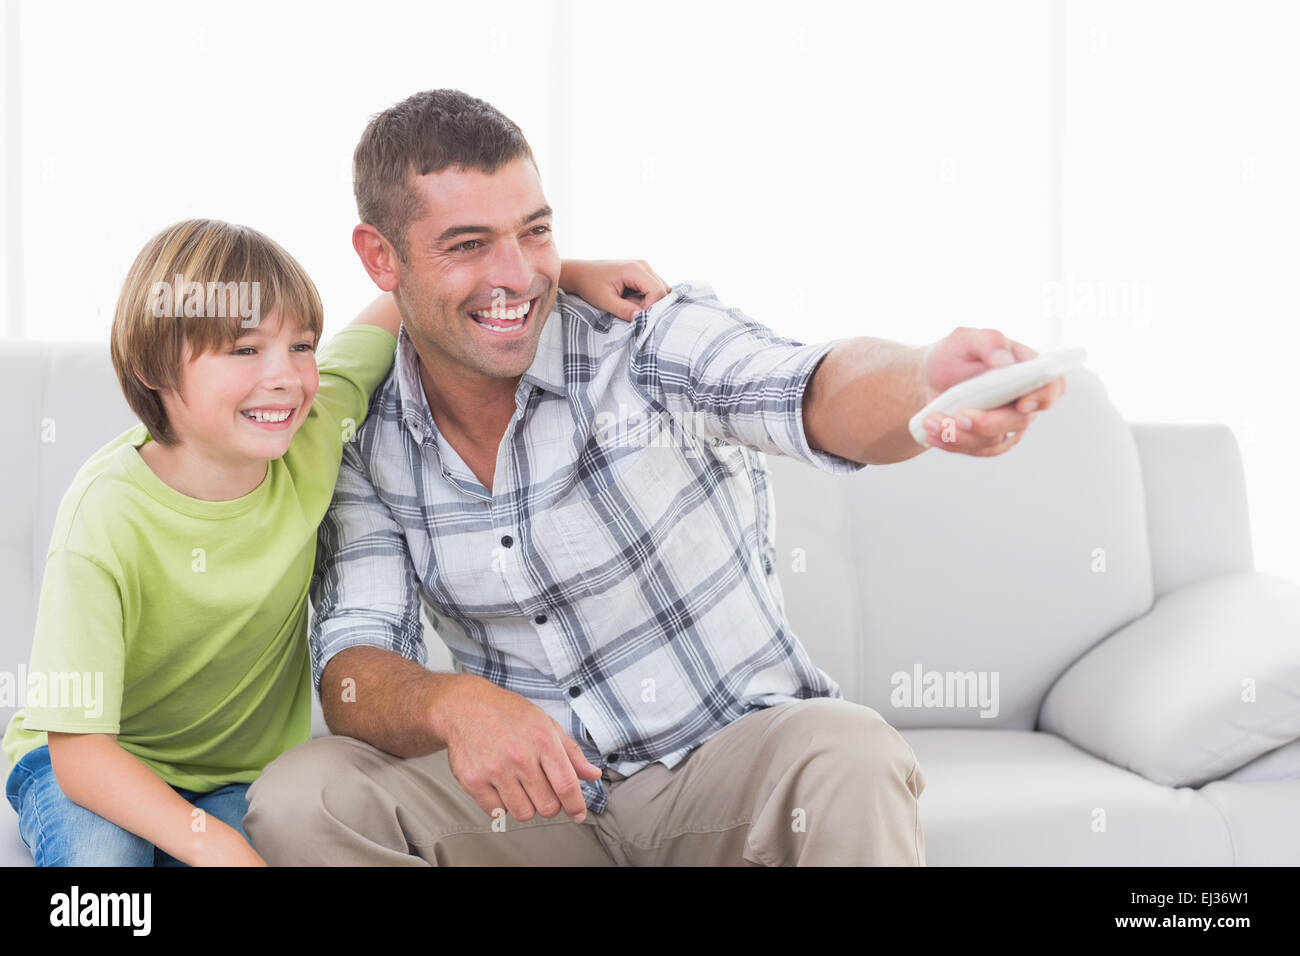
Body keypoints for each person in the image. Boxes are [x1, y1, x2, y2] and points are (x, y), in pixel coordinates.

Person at [242, 88, 1066, 866]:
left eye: (534, 232)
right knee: (305, 798)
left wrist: (925, 380)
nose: (519, 275)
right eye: (467, 245)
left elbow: (804, 388)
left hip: (723, 775)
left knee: (847, 750)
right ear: (379, 257)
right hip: (541, 807)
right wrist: (449, 704)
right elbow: (352, 670)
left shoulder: (640, 336)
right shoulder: (360, 433)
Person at [1, 215, 665, 866]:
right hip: (93, 764)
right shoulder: (106, 514)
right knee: (101, 861)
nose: (287, 376)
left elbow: (412, 293)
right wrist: (218, 846)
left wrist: (568, 275)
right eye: (245, 349)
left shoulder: (315, 429)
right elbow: (80, 753)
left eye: (301, 345)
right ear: (154, 367)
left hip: (234, 777)